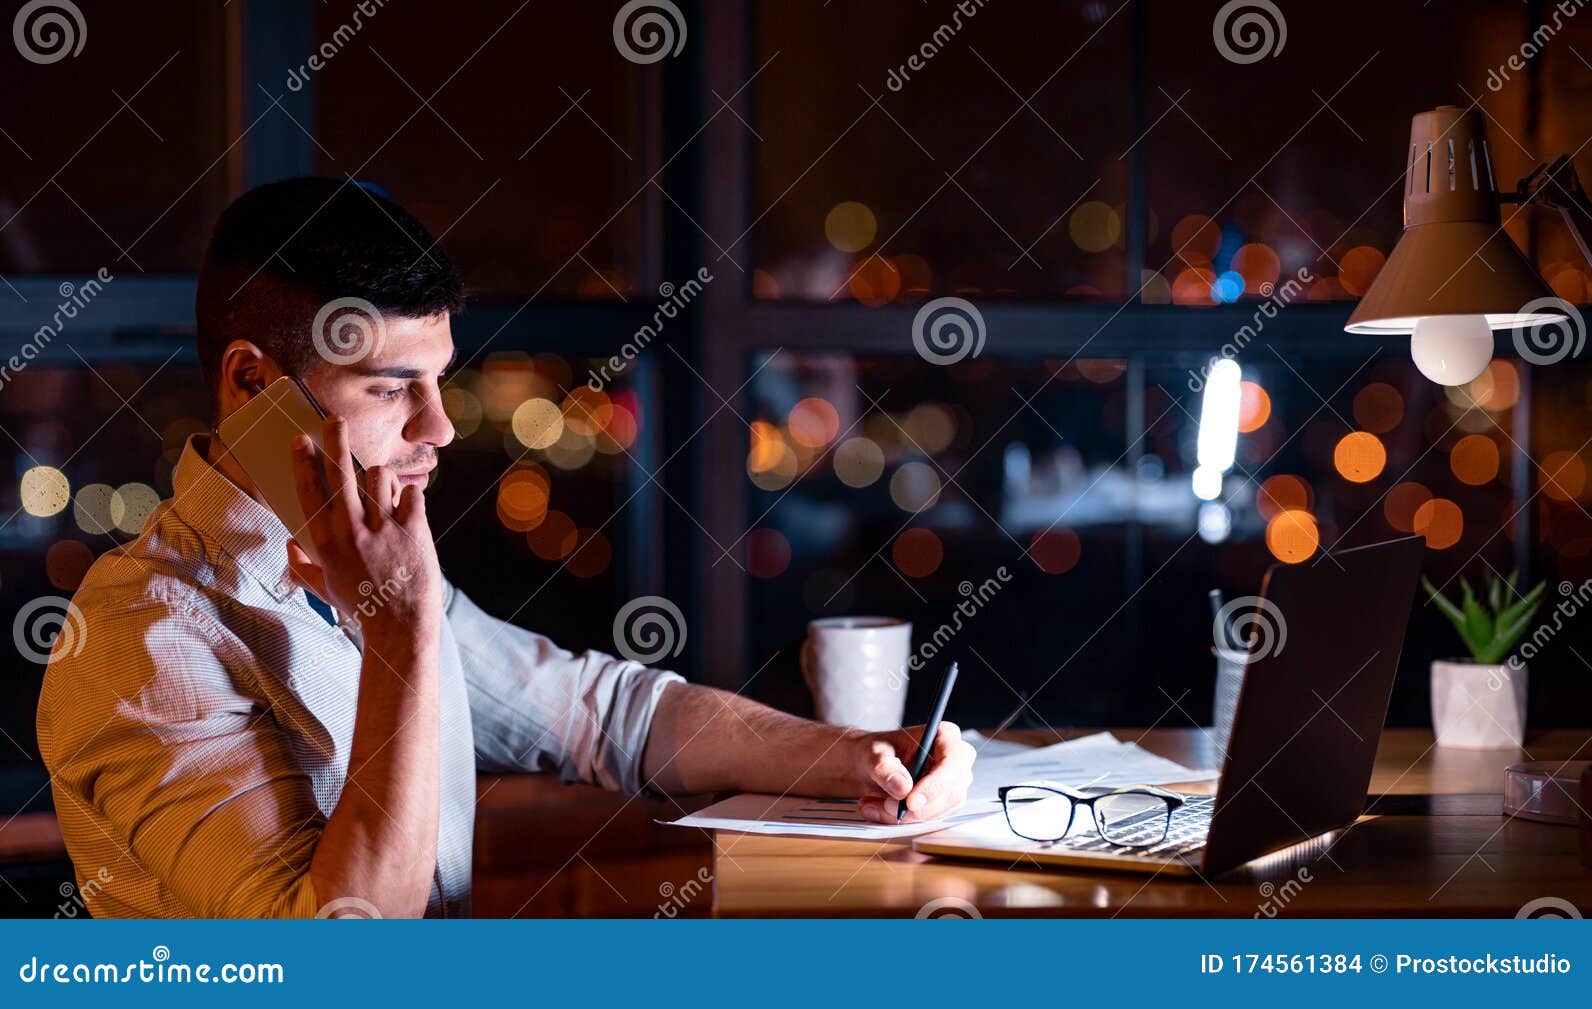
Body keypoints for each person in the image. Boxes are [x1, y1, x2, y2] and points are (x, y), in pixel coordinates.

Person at [36, 178, 975, 918]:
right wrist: (402, 634)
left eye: (440, 381)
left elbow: (603, 713)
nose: (439, 428)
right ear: (251, 381)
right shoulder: (142, 637)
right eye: (391, 388)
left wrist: (855, 756)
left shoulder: (357, 564)